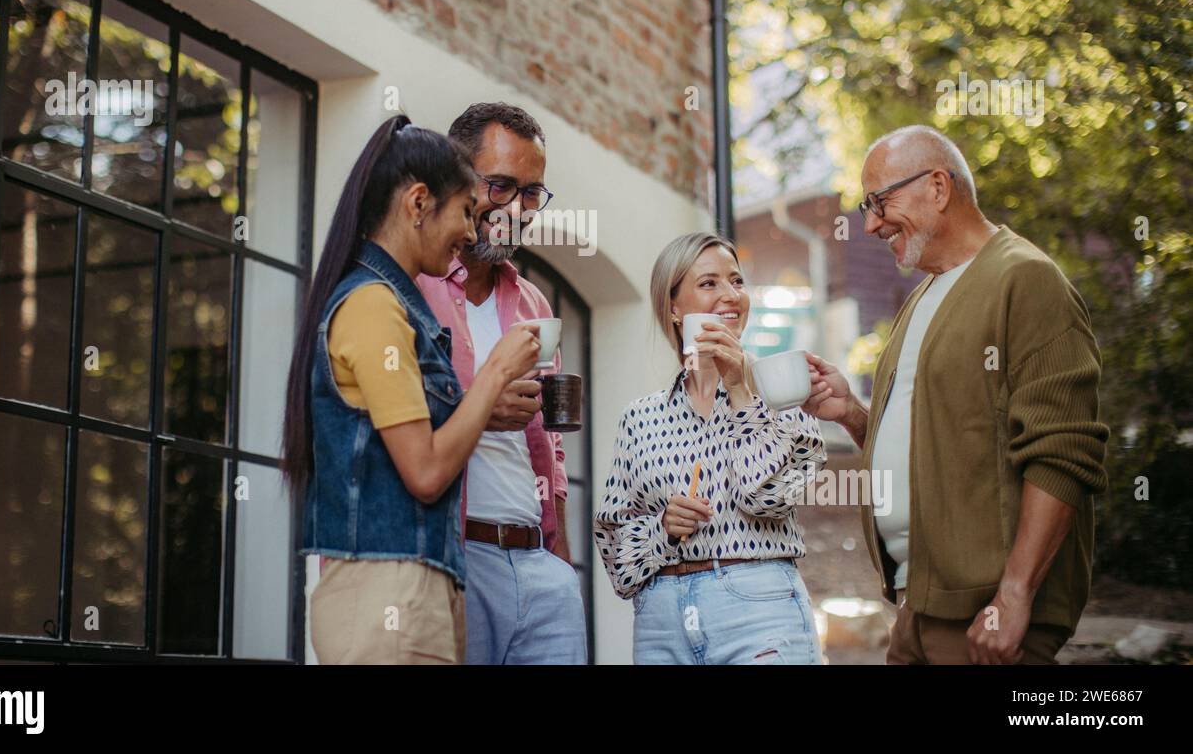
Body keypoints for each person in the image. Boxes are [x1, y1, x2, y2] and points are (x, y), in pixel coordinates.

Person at [803, 125, 1108, 664]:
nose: (870, 223)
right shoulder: (924, 295)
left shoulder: (1026, 279)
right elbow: (937, 438)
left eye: (879, 202)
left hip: (983, 619)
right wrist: (852, 414)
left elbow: (1063, 453)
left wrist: (1014, 595)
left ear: (938, 187)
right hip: (916, 607)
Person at [282, 114, 540, 664]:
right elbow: (424, 473)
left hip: (419, 587)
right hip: (389, 596)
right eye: (465, 212)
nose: (472, 233)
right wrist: (494, 376)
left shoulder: (397, 305)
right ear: (419, 203)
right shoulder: (374, 306)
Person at [593, 232, 826, 664]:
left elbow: (768, 498)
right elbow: (616, 553)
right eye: (709, 283)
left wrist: (739, 389)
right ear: (674, 308)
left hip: (758, 607)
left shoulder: (782, 392)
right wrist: (663, 527)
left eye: (736, 281)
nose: (730, 295)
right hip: (660, 617)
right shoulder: (641, 418)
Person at [416, 102, 587, 664]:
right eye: (500, 186)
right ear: (456, 178)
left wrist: (559, 556)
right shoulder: (416, 286)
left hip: (539, 565)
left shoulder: (534, 303)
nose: (516, 208)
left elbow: (552, 452)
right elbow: (386, 415)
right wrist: (480, 406)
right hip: (455, 554)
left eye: (532, 192)